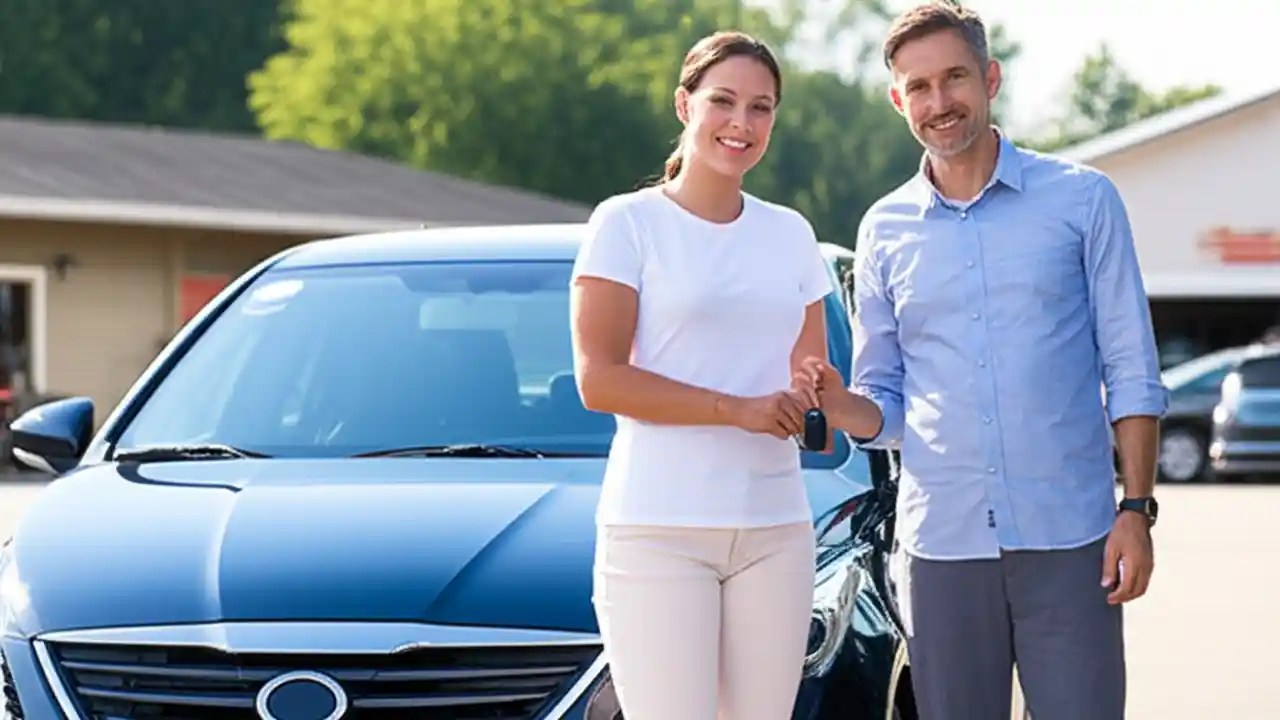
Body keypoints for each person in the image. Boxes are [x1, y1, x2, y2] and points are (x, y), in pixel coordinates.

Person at [801, 3, 1168, 719]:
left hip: (1072, 537)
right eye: (919, 87)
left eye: (955, 78)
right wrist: (841, 404)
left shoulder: (1083, 200)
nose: (939, 103)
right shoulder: (884, 229)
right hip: (944, 542)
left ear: (991, 77)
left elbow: (1131, 364)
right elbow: (888, 402)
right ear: (896, 99)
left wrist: (1137, 509)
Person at [569, 30, 882, 719]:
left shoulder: (790, 234)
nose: (742, 123)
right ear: (685, 105)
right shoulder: (627, 224)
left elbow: (809, 389)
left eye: (762, 107)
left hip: (775, 530)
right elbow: (601, 380)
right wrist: (736, 409)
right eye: (724, 101)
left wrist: (810, 400)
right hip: (658, 530)